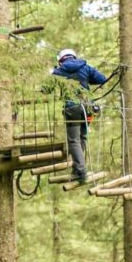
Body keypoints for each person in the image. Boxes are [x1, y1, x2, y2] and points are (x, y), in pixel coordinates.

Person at [51, 48, 109, 183]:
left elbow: (46, 89)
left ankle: (81, 171)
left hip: (72, 109)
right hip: (88, 108)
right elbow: (102, 79)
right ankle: (78, 169)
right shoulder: (85, 67)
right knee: (82, 138)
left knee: (74, 141)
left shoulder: (59, 71)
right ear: (74, 57)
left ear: (61, 60)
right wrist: (86, 79)